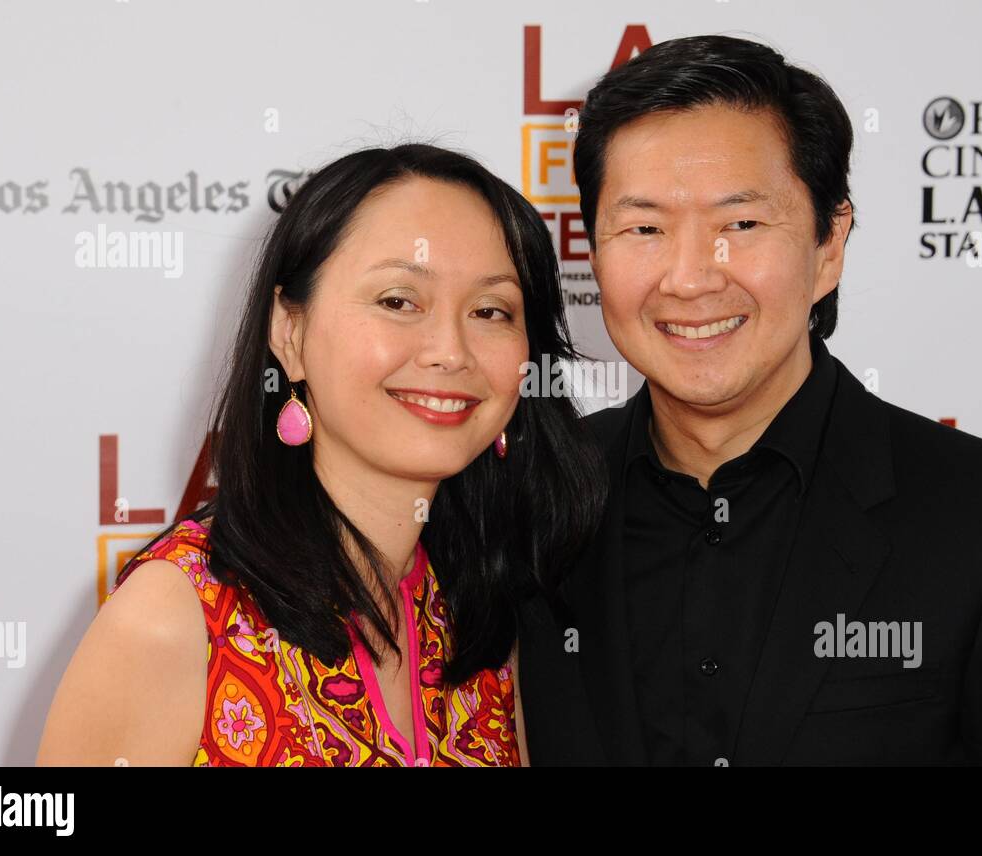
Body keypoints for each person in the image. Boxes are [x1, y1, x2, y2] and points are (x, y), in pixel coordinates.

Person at [516, 35, 982, 765]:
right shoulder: (533, 504)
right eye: (644, 228)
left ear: (829, 244)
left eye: (740, 225)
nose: (688, 278)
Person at [38, 144, 605, 766]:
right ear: (291, 332)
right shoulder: (174, 618)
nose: (450, 350)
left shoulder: (491, 622)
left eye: (491, 310)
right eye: (398, 301)